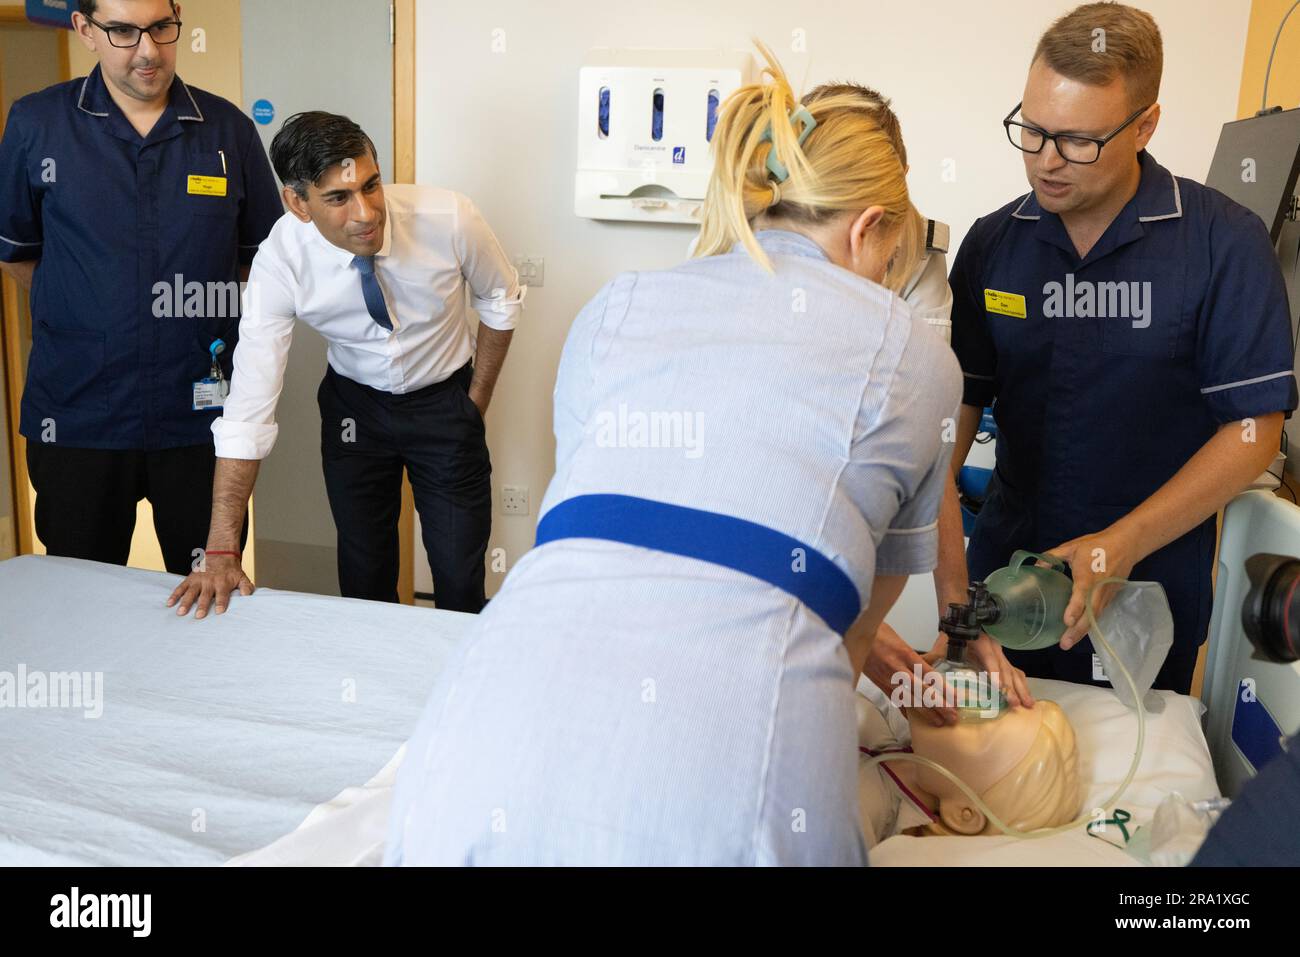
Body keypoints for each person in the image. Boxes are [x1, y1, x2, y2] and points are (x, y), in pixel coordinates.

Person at [386, 43, 961, 865]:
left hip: (465, 758)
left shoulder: (617, 307)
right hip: (724, 803)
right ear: (874, 226)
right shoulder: (913, 353)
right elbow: (852, 639)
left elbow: (622, 537)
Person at [944, 2, 1297, 693]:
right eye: (1032, 130)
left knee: (1119, 781)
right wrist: (944, 574)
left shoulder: (1222, 245)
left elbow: (1254, 431)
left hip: (1144, 591)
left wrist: (1122, 543)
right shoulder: (993, 245)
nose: (1045, 161)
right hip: (1003, 579)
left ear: (1145, 126)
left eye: (1077, 141)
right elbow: (954, 409)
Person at [166, 111, 524, 617]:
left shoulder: (450, 217)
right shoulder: (281, 259)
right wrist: (222, 548)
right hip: (355, 409)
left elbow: (501, 300)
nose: (366, 213)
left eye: (371, 185)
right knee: (363, 571)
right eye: (338, 197)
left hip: (445, 401)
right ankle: (371, 690)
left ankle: (454, 690)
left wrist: (475, 404)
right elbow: (248, 405)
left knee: (458, 571)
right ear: (298, 203)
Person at [0, 0, 281, 573]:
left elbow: (259, 265)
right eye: (123, 31)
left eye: (161, 28)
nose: (149, 50)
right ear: (85, 30)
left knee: (208, 590)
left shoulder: (228, 131)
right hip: (78, 417)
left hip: (201, 420)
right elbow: (18, 254)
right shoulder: (37, 124)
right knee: (80, 601)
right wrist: (93, 310)